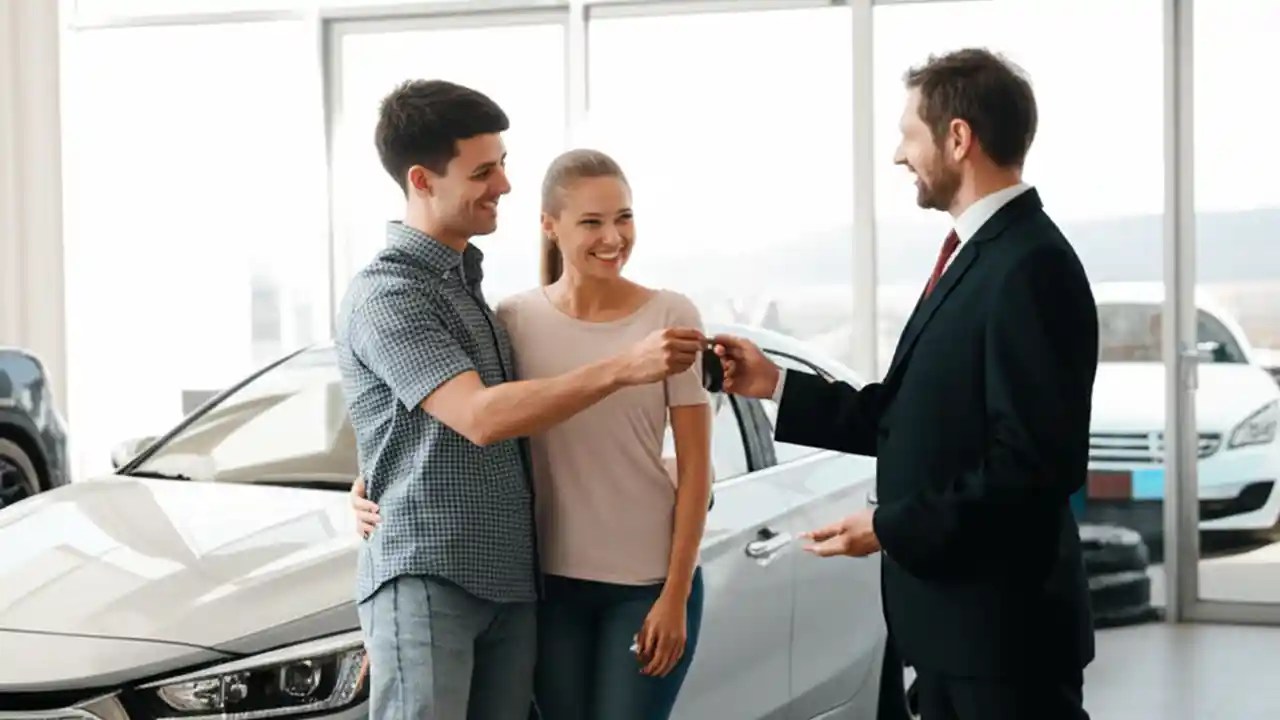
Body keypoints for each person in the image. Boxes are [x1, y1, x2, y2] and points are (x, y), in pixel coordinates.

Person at [714, 48, 1098, 720]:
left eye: (908, 134)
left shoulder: (1030, 267)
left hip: (1003, 639)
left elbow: (1033, 468)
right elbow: (907, 413)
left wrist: (890, 528)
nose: (898, 155)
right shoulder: (979, 255)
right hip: (961, 632)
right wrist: (775, 382)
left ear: (958, 138)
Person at [335, 80, 707, 720]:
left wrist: (380, 473)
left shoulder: (471, 295)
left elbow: (446, 421)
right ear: (422, 181)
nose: (503, 183)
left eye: (503, 165)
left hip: (513, 585)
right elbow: (480, 416)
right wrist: (625, 366)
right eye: (484, 171)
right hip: (450, 578)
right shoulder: (397, 295)